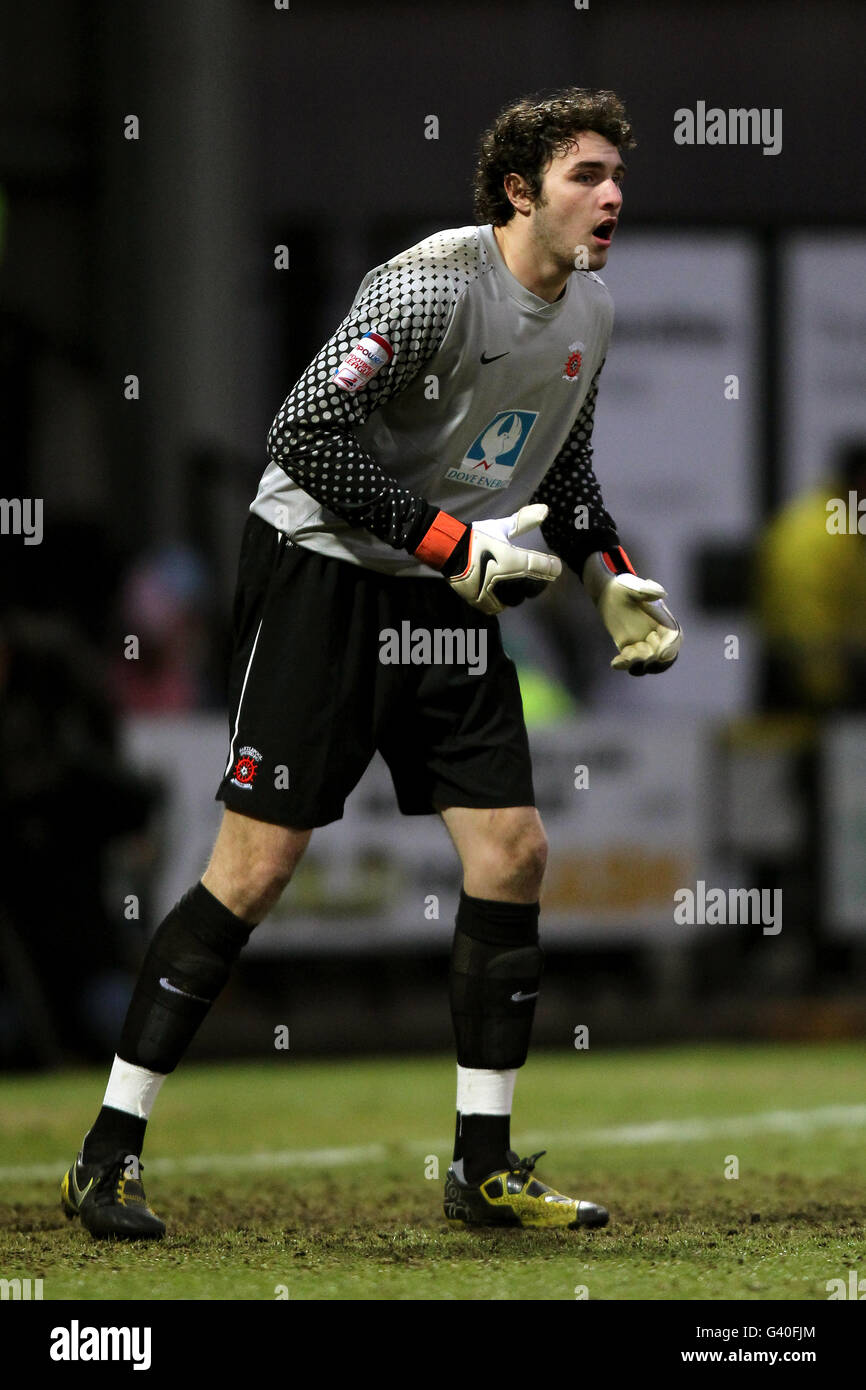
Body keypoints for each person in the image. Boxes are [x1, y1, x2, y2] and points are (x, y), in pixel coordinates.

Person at [61, 87, 681, 1240]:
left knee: (512, 849)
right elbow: (300, 432)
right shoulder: (429, 284)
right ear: (517, 190)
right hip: (322, 572)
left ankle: (481, 1169)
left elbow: (568, 476)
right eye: (586, 177)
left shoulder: (590, 310)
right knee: (253, 870)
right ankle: (107, 1153)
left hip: (446, 587)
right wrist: (453, 544)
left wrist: (609, 580)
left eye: (616, 180)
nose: (609, 198)